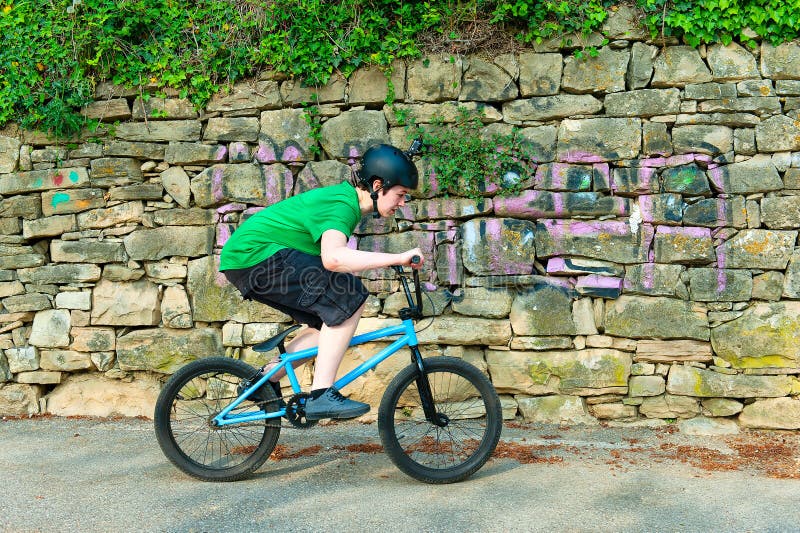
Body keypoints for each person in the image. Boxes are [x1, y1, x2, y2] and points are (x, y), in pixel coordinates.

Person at [220, 144, 423, 420]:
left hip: (250, 260)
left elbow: (336, 262)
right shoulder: (342, 205)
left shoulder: (343, 202)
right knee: (348, 295)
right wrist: (398, 258)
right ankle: (321, 394)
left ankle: (265, 380)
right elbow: (333, 259)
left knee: (328, 320)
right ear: (378, 185)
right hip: (255, 257)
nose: (402, 203)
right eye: (400, 195)